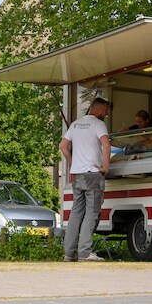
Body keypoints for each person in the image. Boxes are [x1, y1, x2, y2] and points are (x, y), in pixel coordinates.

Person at [60, 97, 111, 262]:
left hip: (78, 174)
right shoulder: (98, 124)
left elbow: (62, 146)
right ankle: (84, 253)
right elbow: (106, 145)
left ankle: (69, 253)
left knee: (76, 213)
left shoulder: (76, 124)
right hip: (92, 174)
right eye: (105, 110)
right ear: (98, 109)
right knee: (92, 212)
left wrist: (71, 161)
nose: (107, 114)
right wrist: (105, 166)